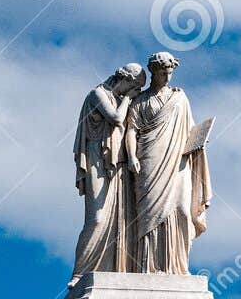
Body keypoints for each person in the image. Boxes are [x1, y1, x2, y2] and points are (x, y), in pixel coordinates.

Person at [125, 51, 211, 273]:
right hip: (149, 159)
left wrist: (199, 142)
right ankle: (148, 267)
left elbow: (189, 129)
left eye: (170, 73)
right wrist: (132, 156)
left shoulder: (180, 98)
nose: (167, 77)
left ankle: (176, 266)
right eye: (163, 73)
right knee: (149, 213)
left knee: (181, 210)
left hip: (178, 160)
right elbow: (131, 131)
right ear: (153, 72)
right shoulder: (140, 101)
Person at [71, 62, 146, 281]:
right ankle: (80, 272)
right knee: (97, 218)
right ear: (126, 80)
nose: (137, 92)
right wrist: (127, 99)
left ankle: (114, 268)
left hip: (118, 163)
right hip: (97, 158)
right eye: (135, 87)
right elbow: (115, 118)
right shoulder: (98, 94)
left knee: (119, 219)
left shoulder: (123, 100)